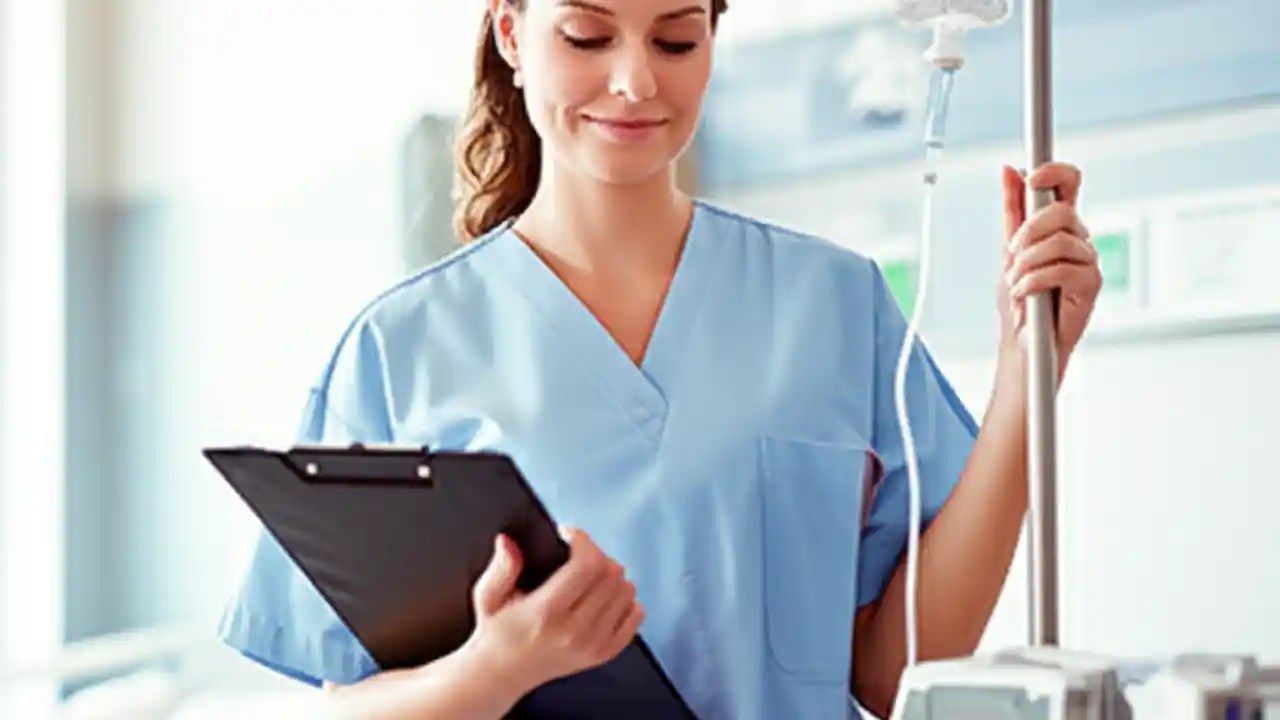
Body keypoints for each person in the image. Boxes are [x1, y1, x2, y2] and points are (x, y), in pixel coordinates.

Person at [217, 0, 1103, 718]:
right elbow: (343, 705)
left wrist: (1031, 377)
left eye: (676, 38)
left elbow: (898, 672)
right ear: (513, 33)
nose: (635, 80)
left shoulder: (832, 305)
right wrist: (493, 671)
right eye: (588, 35)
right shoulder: (399, 349)